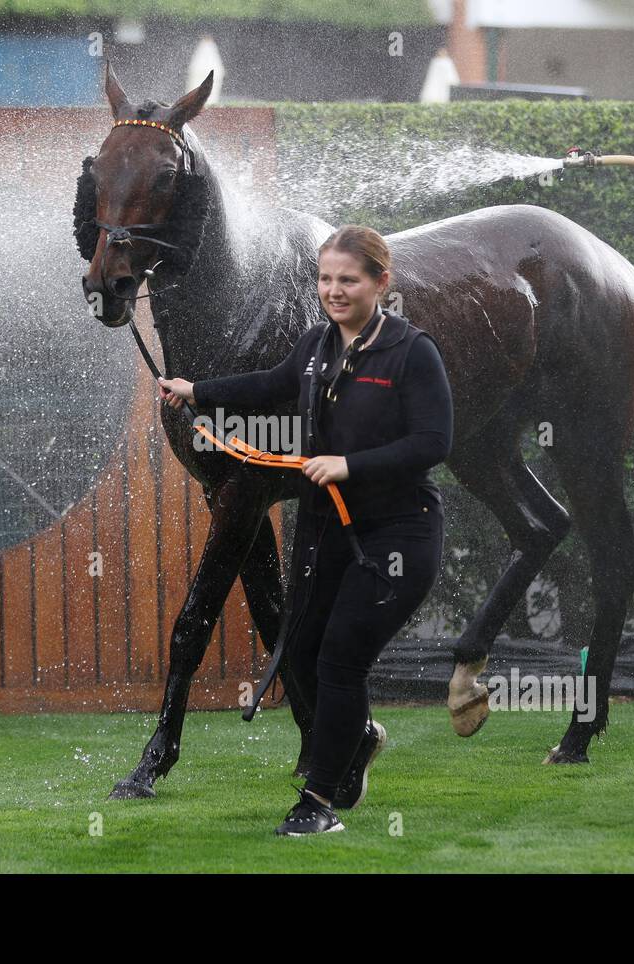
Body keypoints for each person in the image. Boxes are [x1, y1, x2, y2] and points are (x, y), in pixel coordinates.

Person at [158, 225, 452, 835]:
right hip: (326, 533)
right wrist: (196, 391)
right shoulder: (316, 346)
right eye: (325, 279)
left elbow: (433, 442)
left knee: (341, 661)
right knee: (306, 651)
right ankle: (358, 743)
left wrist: (350, 465)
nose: (334, 291)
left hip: (394, 536)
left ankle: (316, 803)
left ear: (380, 283)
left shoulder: (411, 352)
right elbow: (268, 385)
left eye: (348, 280)